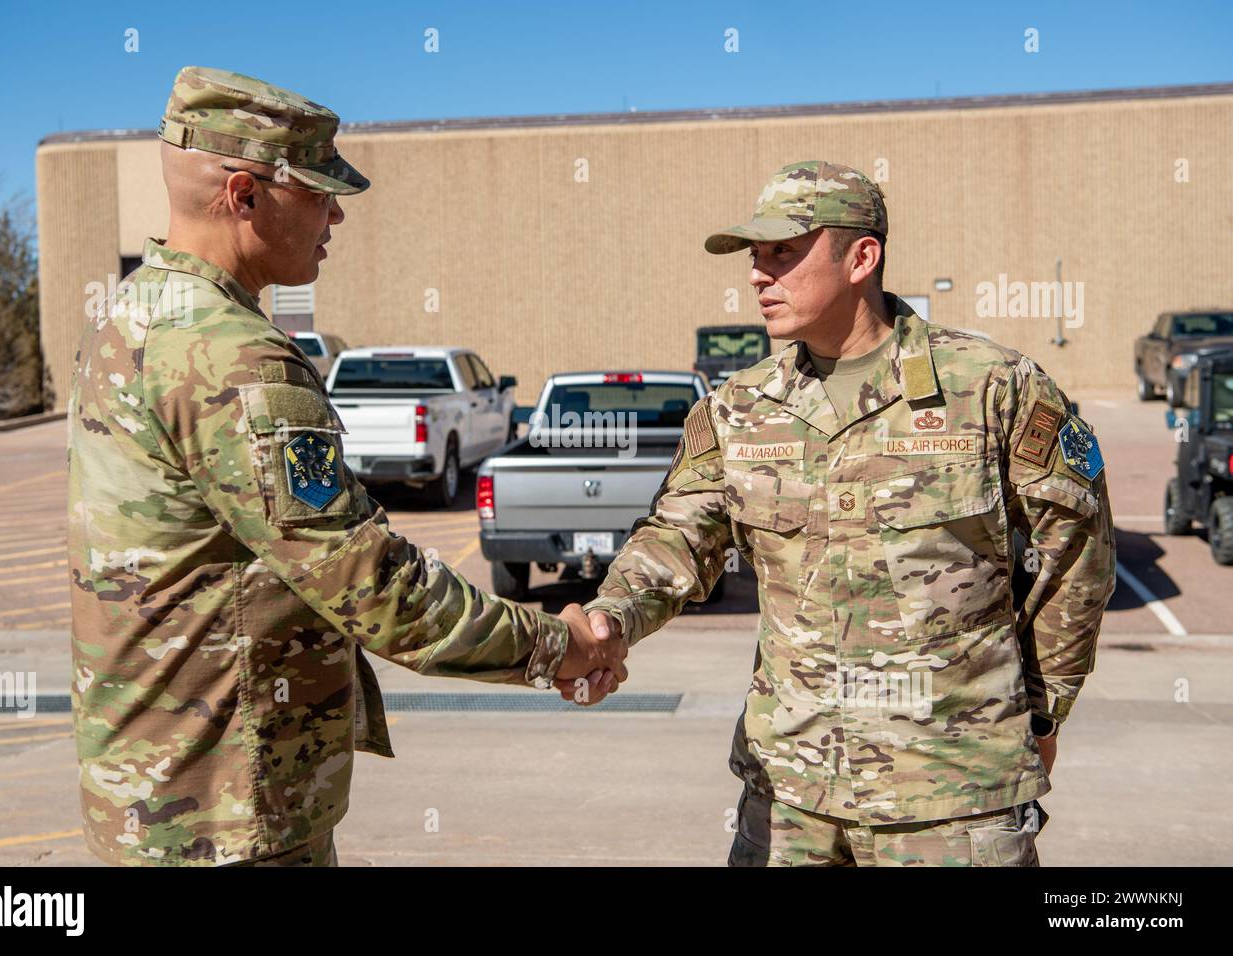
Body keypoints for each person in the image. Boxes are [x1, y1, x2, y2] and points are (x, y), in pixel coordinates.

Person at [67, 66, 623, 867]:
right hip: (227, 814)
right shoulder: (233, 357)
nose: (335, 214)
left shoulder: (131, 316)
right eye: (319, 191)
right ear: (245, 195)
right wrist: (554, 645)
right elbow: (372, 586)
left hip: (155, 796)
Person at [579, 160, 1115, 866]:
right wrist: (610, 617)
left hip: (953, 797)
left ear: (862, 257)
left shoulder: (990, 388)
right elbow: (681, 536)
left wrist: (1044, 708)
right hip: (791, 797)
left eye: (783, 253)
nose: (757, 276)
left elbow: (1076, 552)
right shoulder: (738, 409)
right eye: (754, 257)